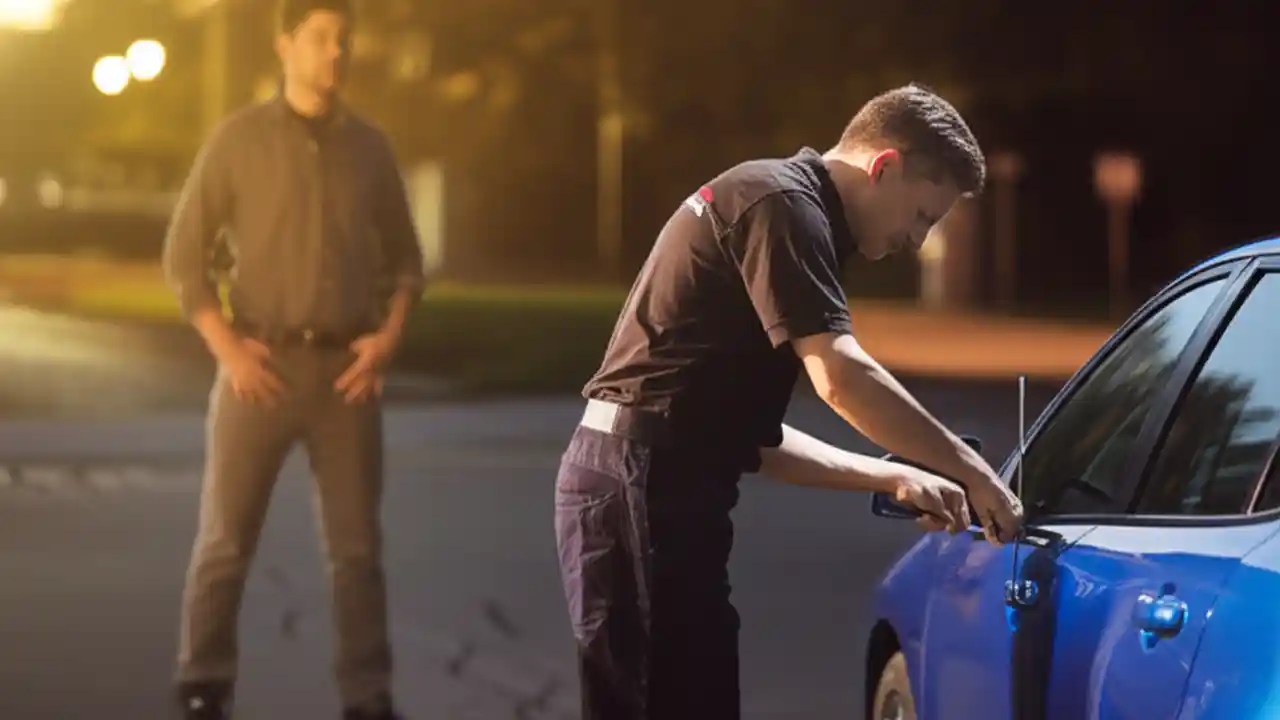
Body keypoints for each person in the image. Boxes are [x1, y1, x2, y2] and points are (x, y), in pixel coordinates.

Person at [554, 83, 1025, 719]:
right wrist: (970, 471)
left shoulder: (787, 206)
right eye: (921, 217)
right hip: (640, 483)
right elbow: (840, 375)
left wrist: (892, 475)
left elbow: (756, 440)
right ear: (883, 167)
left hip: (652, 479)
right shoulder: (785, 206)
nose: (918, 240)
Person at [161, 1, 425, 718]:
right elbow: (184, 261)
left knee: (357, 555)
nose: (335, 52)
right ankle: (202, 686)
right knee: (224, 545)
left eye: (344, 40)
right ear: (286, 47)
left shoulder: (369, 149)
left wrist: (388, 338)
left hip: (346, 376)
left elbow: (406, 261)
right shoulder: (238, 141)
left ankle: (367, 697)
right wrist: (228, 351)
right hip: (258, 372)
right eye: (320, 39)